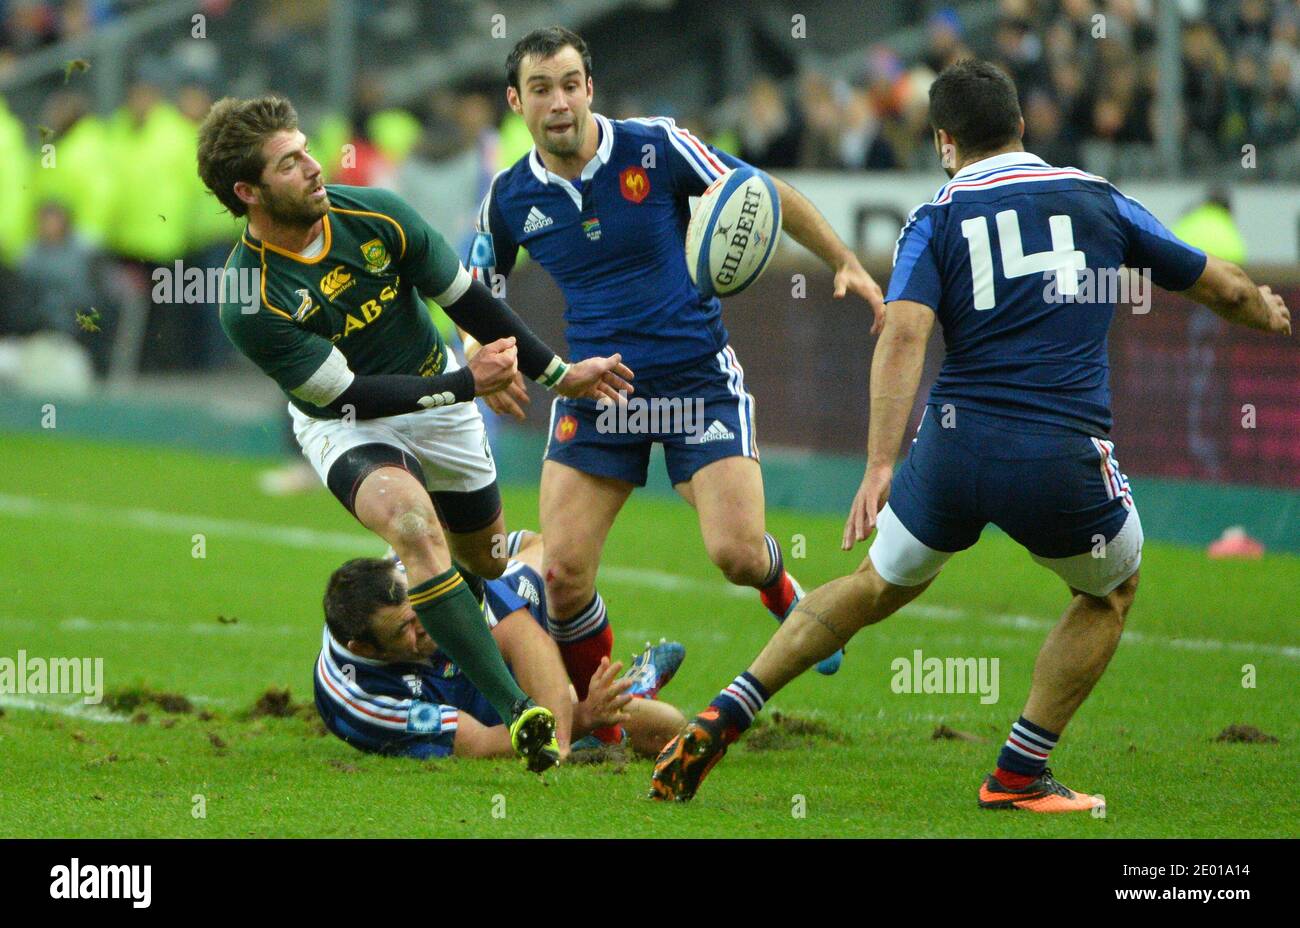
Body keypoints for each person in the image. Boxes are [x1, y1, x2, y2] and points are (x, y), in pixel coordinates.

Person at [651, 59, 1291, 809]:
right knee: (1112, 592)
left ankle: (732, 706)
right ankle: (1019, 773)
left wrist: (879, 464)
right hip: (1057, 452)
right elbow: (1224, 286)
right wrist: (1267, 315)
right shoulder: (1094, 197)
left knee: (874, 587)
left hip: (950, 449)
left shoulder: (938, 215)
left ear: (944, 141)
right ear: (1023, 125)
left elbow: (904, 335)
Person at [467, 28, 887, 736]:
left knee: (737, 553)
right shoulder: (509, 198)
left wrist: (842, 258)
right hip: (600, 394)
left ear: (590, 88)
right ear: (516, 101)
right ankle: (601, 727)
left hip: (697, 382)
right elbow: (475, 289)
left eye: (570, 84)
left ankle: (778, 583)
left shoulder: (655, 147)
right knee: (564, 577)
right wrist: (485, 357)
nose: (559, 102)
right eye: (541, 89)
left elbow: (764, 192)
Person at [197, 94, 633, 772]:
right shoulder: (249, 299)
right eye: (290, 163)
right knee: (410, 525)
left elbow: (467, 301)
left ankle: (548, 624)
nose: (315, 167)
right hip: (347, 425)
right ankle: (524, 716)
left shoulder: (375, 213)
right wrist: (471, 381)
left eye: (307, 149)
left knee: (484, 564)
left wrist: (560, 374)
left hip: (441, 404)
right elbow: (347, 395)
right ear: (248, 191)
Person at [315, 534, 686, 761]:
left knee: (551, 563)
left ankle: (599, 699)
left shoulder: (418, 567)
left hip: (502, 638)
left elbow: (521, 637)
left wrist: (563, 732)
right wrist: (585, 716)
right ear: (365, 648)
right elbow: (478, 744)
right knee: (665, 728)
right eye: (405, 630)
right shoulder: (361, 698)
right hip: (471, 705)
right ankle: (631, 689)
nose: (425, 625)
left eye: (420, 610)